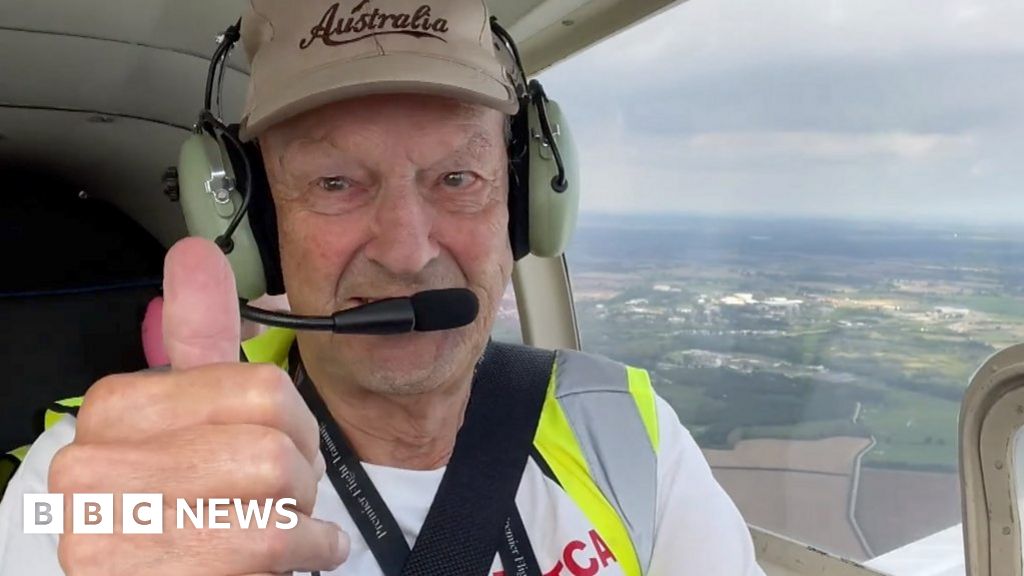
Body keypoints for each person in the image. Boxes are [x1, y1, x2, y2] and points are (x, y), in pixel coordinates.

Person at [0, 1, 764, 574]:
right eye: (334, 183)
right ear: (257, 227)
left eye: (458, 177)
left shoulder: (630, 436)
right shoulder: (99, 476)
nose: (406, 252)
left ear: (524, 205)